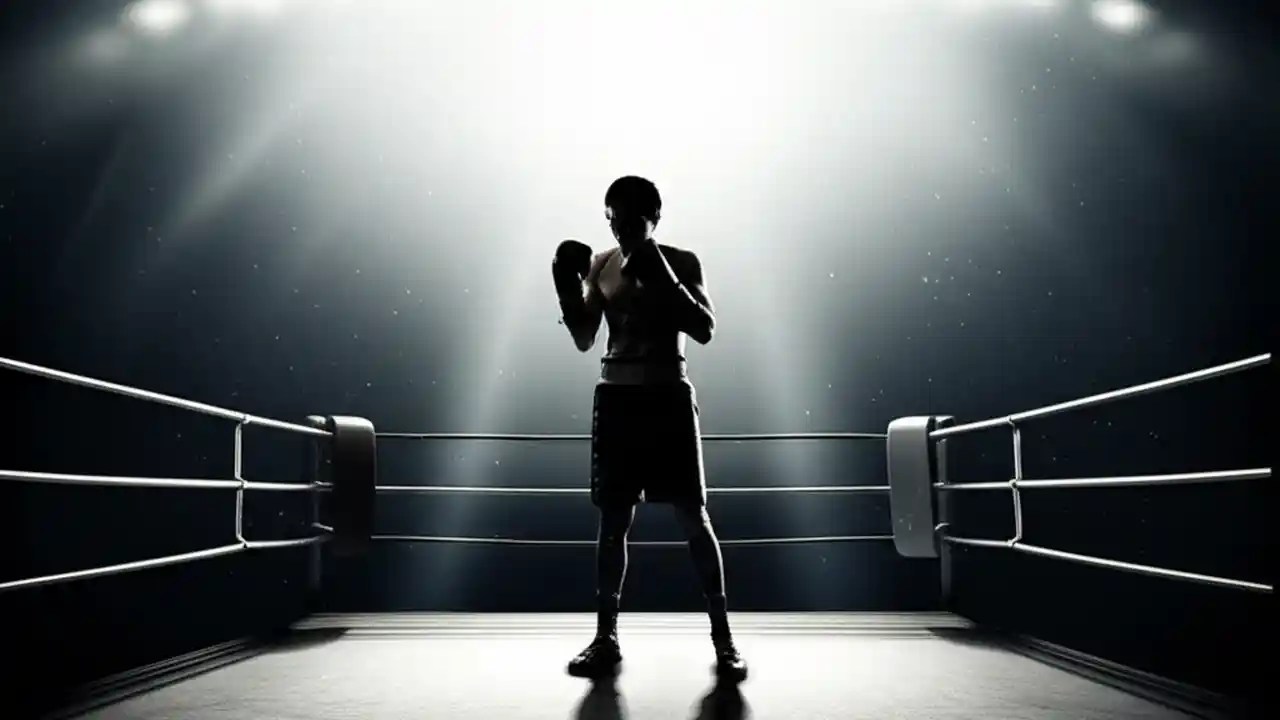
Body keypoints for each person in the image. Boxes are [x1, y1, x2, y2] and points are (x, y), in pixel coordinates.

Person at [551, 175, 748, 683]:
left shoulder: (681, 261)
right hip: (616, 395)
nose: (620, 229)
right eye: (613, 218)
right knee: (612, 520)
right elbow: (582, 337)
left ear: (654, 218)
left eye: (631, 219)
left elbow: (703, 329)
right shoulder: (600, 265)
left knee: (692, 515)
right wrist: (566, 287)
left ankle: (724, 640)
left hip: (667, 393)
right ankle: (605, 638)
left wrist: (657, 270)